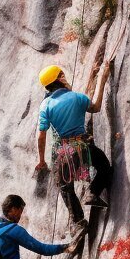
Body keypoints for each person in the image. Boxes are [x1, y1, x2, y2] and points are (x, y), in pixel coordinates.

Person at [34, 61, 113, 226]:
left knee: (65, 187)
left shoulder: (45, 105)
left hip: (62, 153)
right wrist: (102, 79)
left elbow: (41, 135)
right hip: (82, 146)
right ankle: (92, 193)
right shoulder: (76, 97)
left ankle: (77, 222)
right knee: (104, 166)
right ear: (61, 78)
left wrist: (41, 160)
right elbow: (95, 107)